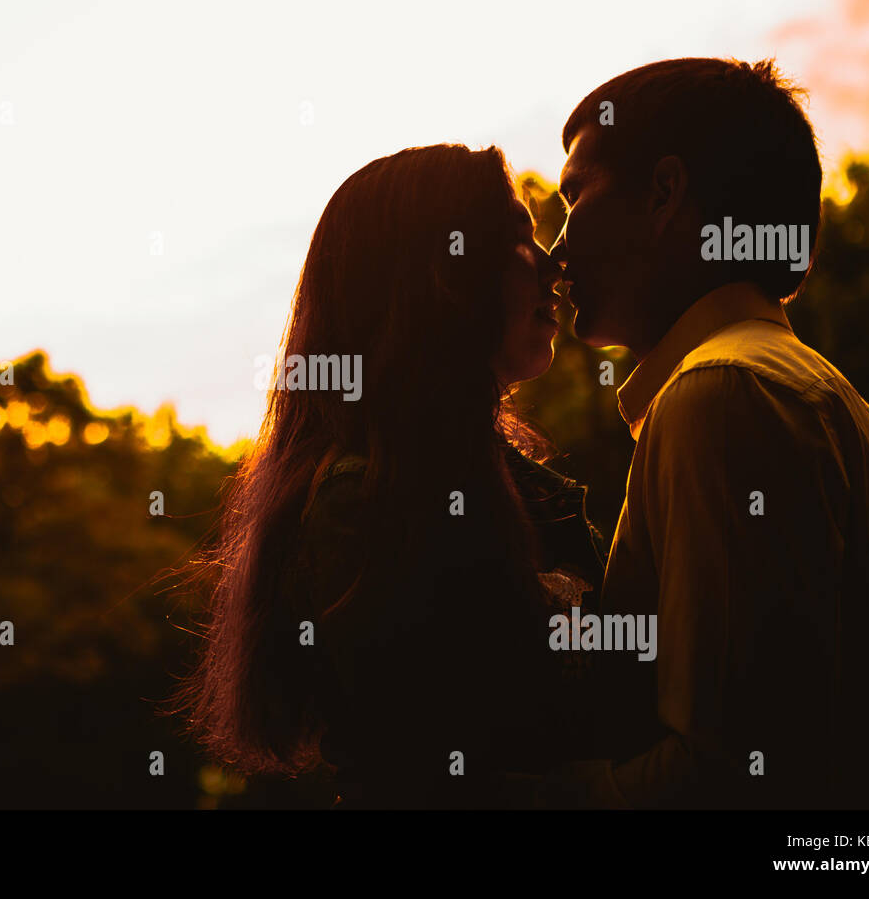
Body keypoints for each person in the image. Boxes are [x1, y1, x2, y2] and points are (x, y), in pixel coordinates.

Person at [546, 57, 869, 808]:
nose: (555, 247)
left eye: (575, 195)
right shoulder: (846, 412)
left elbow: (730, 781)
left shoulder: (722, 395)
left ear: (665, 193)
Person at [172, 143, 606, 808]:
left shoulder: (499, 478)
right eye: (519, 241)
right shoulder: (364, 503)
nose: (554, 266)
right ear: (441, 274)